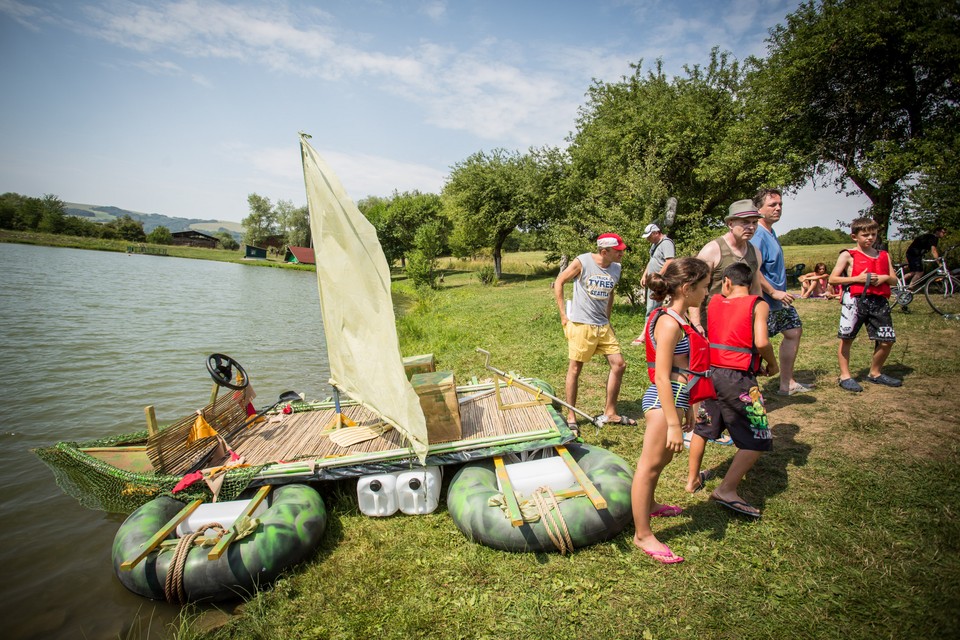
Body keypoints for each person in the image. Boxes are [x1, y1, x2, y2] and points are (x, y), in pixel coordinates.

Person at [631, 257, 712, 564]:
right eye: (704, 288)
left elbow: (684, 369)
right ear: (688, 288)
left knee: (661, 461)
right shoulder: (668, 322)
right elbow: (663, 376)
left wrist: (689, 407)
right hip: (661, 403)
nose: (706, 293)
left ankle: (649, 504)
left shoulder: (679, 318)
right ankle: (642, 534)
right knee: (648, 467)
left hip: (677, 400)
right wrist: (673, 423)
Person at [685, 263, 778, 519]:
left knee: (703, 428)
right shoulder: (758, 304)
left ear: (726, 282)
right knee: (759, 436)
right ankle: (726, 489)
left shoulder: (714, 301)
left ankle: (692, 480)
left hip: (710, 375)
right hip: (739, 379)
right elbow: (761, 342)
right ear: (750, 284)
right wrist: (772, 362)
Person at [553, 233, 632, 430]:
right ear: (604, 251)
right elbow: (559, 281)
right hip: (582, 324)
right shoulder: (583, 261)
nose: (622, 253)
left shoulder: (616, 268)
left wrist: (608, 318)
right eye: (618, 250)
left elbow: (611, 293)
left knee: (619, 364)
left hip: (603, 325)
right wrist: (563, 314)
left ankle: (610, 412)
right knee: (575, 369)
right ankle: (571, 416)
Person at [750, 188, 812, 396]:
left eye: (780, 205)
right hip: (765, 301)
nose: (778, 208)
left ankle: (787, 384)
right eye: (772, 205)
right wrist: (773, 292)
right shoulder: (757, 234)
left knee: (793, 331)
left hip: (779, 301)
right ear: (759, 209)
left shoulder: (770, 231)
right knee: (754, 345)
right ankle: (744, 391)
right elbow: (753, 267)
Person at [828, 217, 901, 392]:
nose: (870, 238)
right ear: (855, 237)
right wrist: (857, 279)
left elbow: (894, 280)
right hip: (855, 300)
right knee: (847, 338)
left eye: (873, 234)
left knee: (886, 340)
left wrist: (884, 278)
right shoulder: (848, 254)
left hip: (879, 301)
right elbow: (832, 279)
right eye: (865, 235)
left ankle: (875, 373)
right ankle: (845, 376)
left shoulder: (883, 255)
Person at [640, 223, 675, 317]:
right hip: (653, 280)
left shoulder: (666, 243)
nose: (647, 239)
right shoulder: (654, 245)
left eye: (649, 236)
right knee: (650, 307)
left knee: (652, 308)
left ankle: (650, 329)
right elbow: (651, 260)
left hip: (659, 281)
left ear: (656, 233)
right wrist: (644, 275)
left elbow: (670, 261)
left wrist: (658, 276)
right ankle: (650, 328)